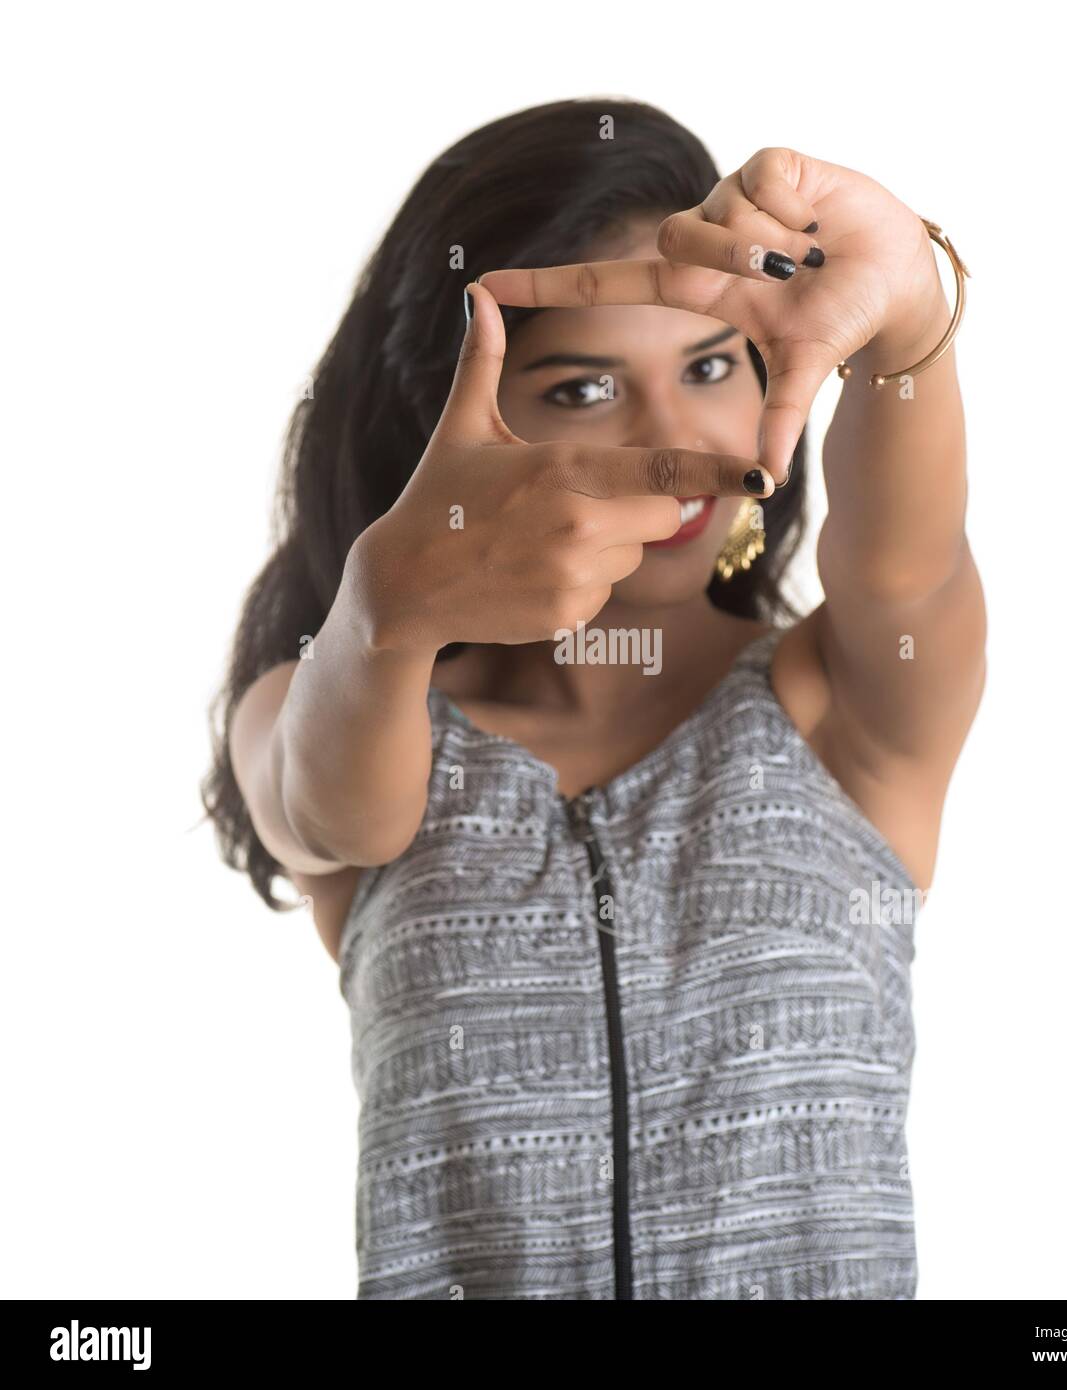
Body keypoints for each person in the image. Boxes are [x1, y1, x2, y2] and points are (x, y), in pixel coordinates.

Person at [201, 97, 986, 1300]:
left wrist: (911, 313)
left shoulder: (842, 708)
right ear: (455, 422)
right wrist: (387, 606)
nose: (669, 440)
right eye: (580, 389)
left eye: (709, 364)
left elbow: (903, 565)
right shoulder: (339, 710)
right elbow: (332, 814)